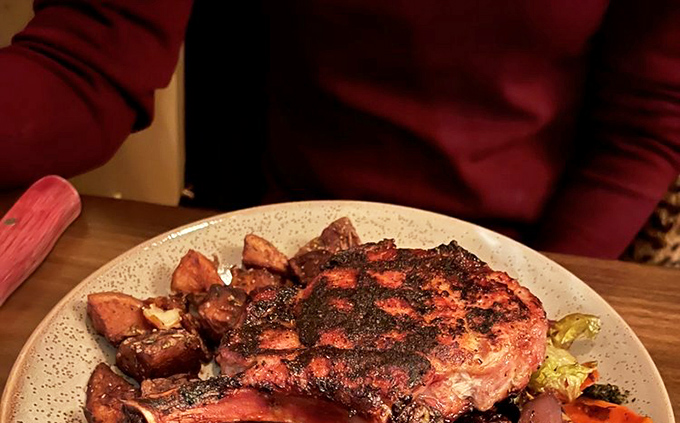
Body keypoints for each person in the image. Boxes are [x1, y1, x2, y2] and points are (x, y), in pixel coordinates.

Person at [1, 0, 679, 258]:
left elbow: (645, 127)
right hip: (281, 237)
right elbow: (87, 52)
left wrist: (533, 294)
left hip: (522, 248)